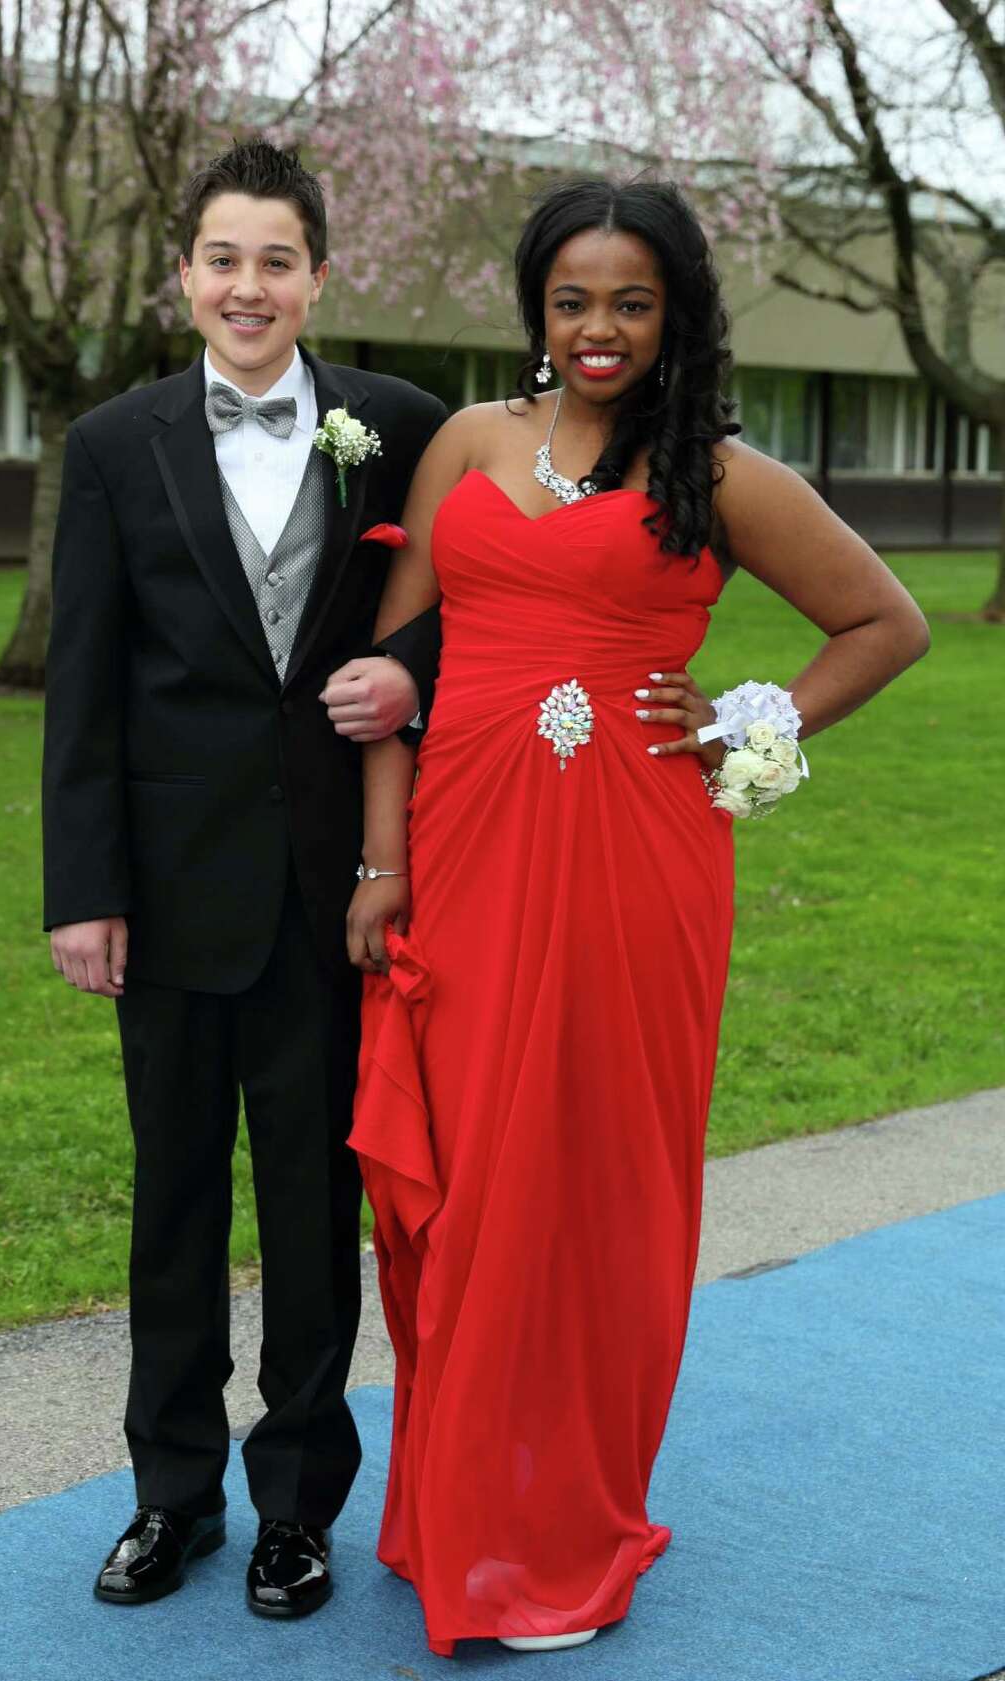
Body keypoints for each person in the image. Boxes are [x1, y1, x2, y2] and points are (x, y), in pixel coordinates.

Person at [345, 177, 930, 1657]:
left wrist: (750, 728)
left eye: (631, 301)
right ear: (536, 309)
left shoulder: (718, 472)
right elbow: (397, 653)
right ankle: (456, 1506)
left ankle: (555, 1528)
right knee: (472, 1178)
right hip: (468, 848)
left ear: (675, 316)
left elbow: (883, 623)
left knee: (590, 1186)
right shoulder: (469, 444)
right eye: (572, 299)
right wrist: (380, 862)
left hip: (632, 858)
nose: (597, 328)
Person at [42, 137, 445, 1621]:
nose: (249, 285)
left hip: (331, 894)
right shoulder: (112, 445)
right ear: (187, 276)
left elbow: (479, 602)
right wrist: (84, 889)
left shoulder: (400, 427)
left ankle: (295, 1507)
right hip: (165, 893)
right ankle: (171, 1494)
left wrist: (398, 673)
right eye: (225, 258)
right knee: (172, 1206)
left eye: (278, 259)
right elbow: (81, 689)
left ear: (319, 276)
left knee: (310, 1204)